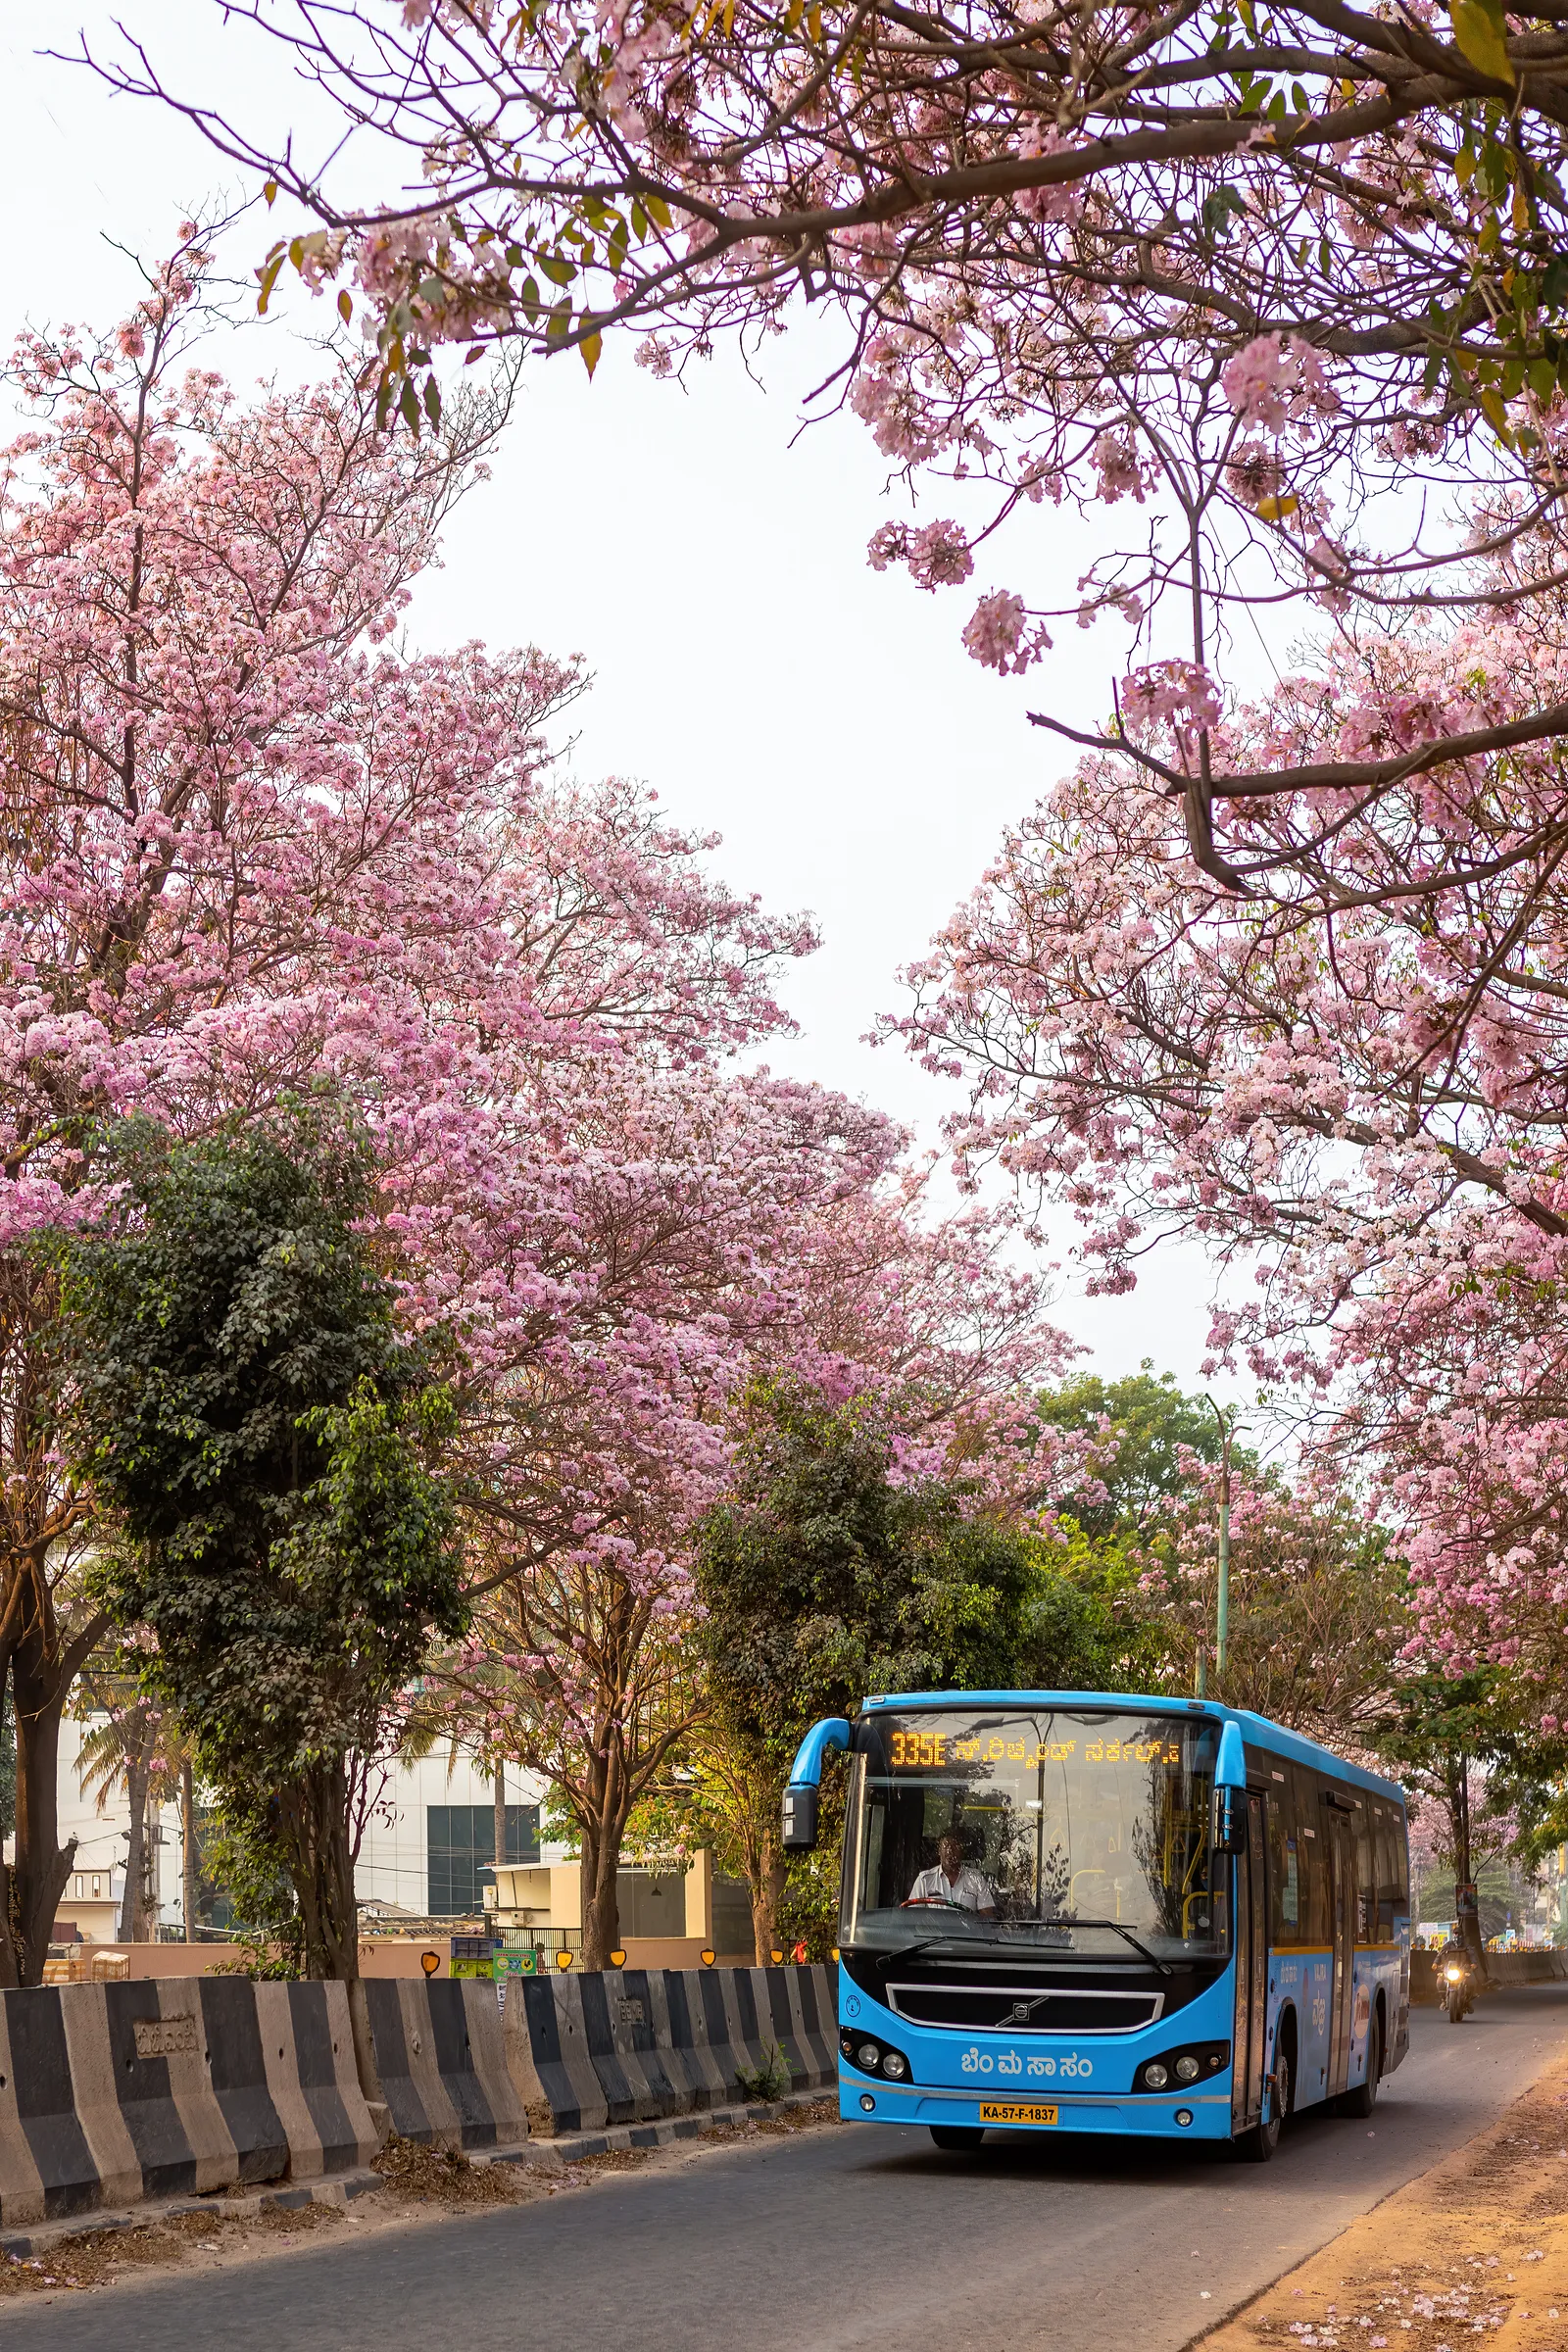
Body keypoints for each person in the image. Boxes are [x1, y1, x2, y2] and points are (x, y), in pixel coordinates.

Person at [907, 1831, 997, 1916]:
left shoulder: (976, 1879)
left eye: (955, 1846)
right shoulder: (924, 1880)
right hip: (934, 1932)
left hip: (967, 1932)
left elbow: (986, 1919)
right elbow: (913, 1917)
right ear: (939, 1851)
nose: (950, 1851)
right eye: (946, 1846)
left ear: (962, 1851)